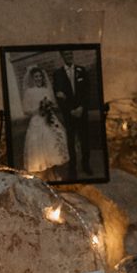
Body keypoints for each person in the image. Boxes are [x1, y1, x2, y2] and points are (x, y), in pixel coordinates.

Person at [52, 50, 93, 180]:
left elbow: (87, 90)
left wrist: (82, 107)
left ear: (72, 55)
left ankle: (86, 165)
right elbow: (58, 95)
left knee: (85, 139)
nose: (69, 57)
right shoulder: (58, 74)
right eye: (66, 55)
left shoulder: (81, 70)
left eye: (70, 54)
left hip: (82, 111)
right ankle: (72, 168)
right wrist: (69, 110)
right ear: (62, 57)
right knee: (70, 141)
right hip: (69, 113)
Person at [21, 66, 68, 175]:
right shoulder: (29, 92)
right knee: (39, 144)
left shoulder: (46, 90)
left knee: (53, 141)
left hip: (49, 118)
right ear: (32, 78)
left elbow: (52, 104)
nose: (38, 79)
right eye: (36, 77)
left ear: (43, 78)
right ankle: (44, 170)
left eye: (40, 76)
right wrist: (38, 109)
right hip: (37, 120)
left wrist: (48, 107)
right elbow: (26, 110)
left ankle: (54, 166)